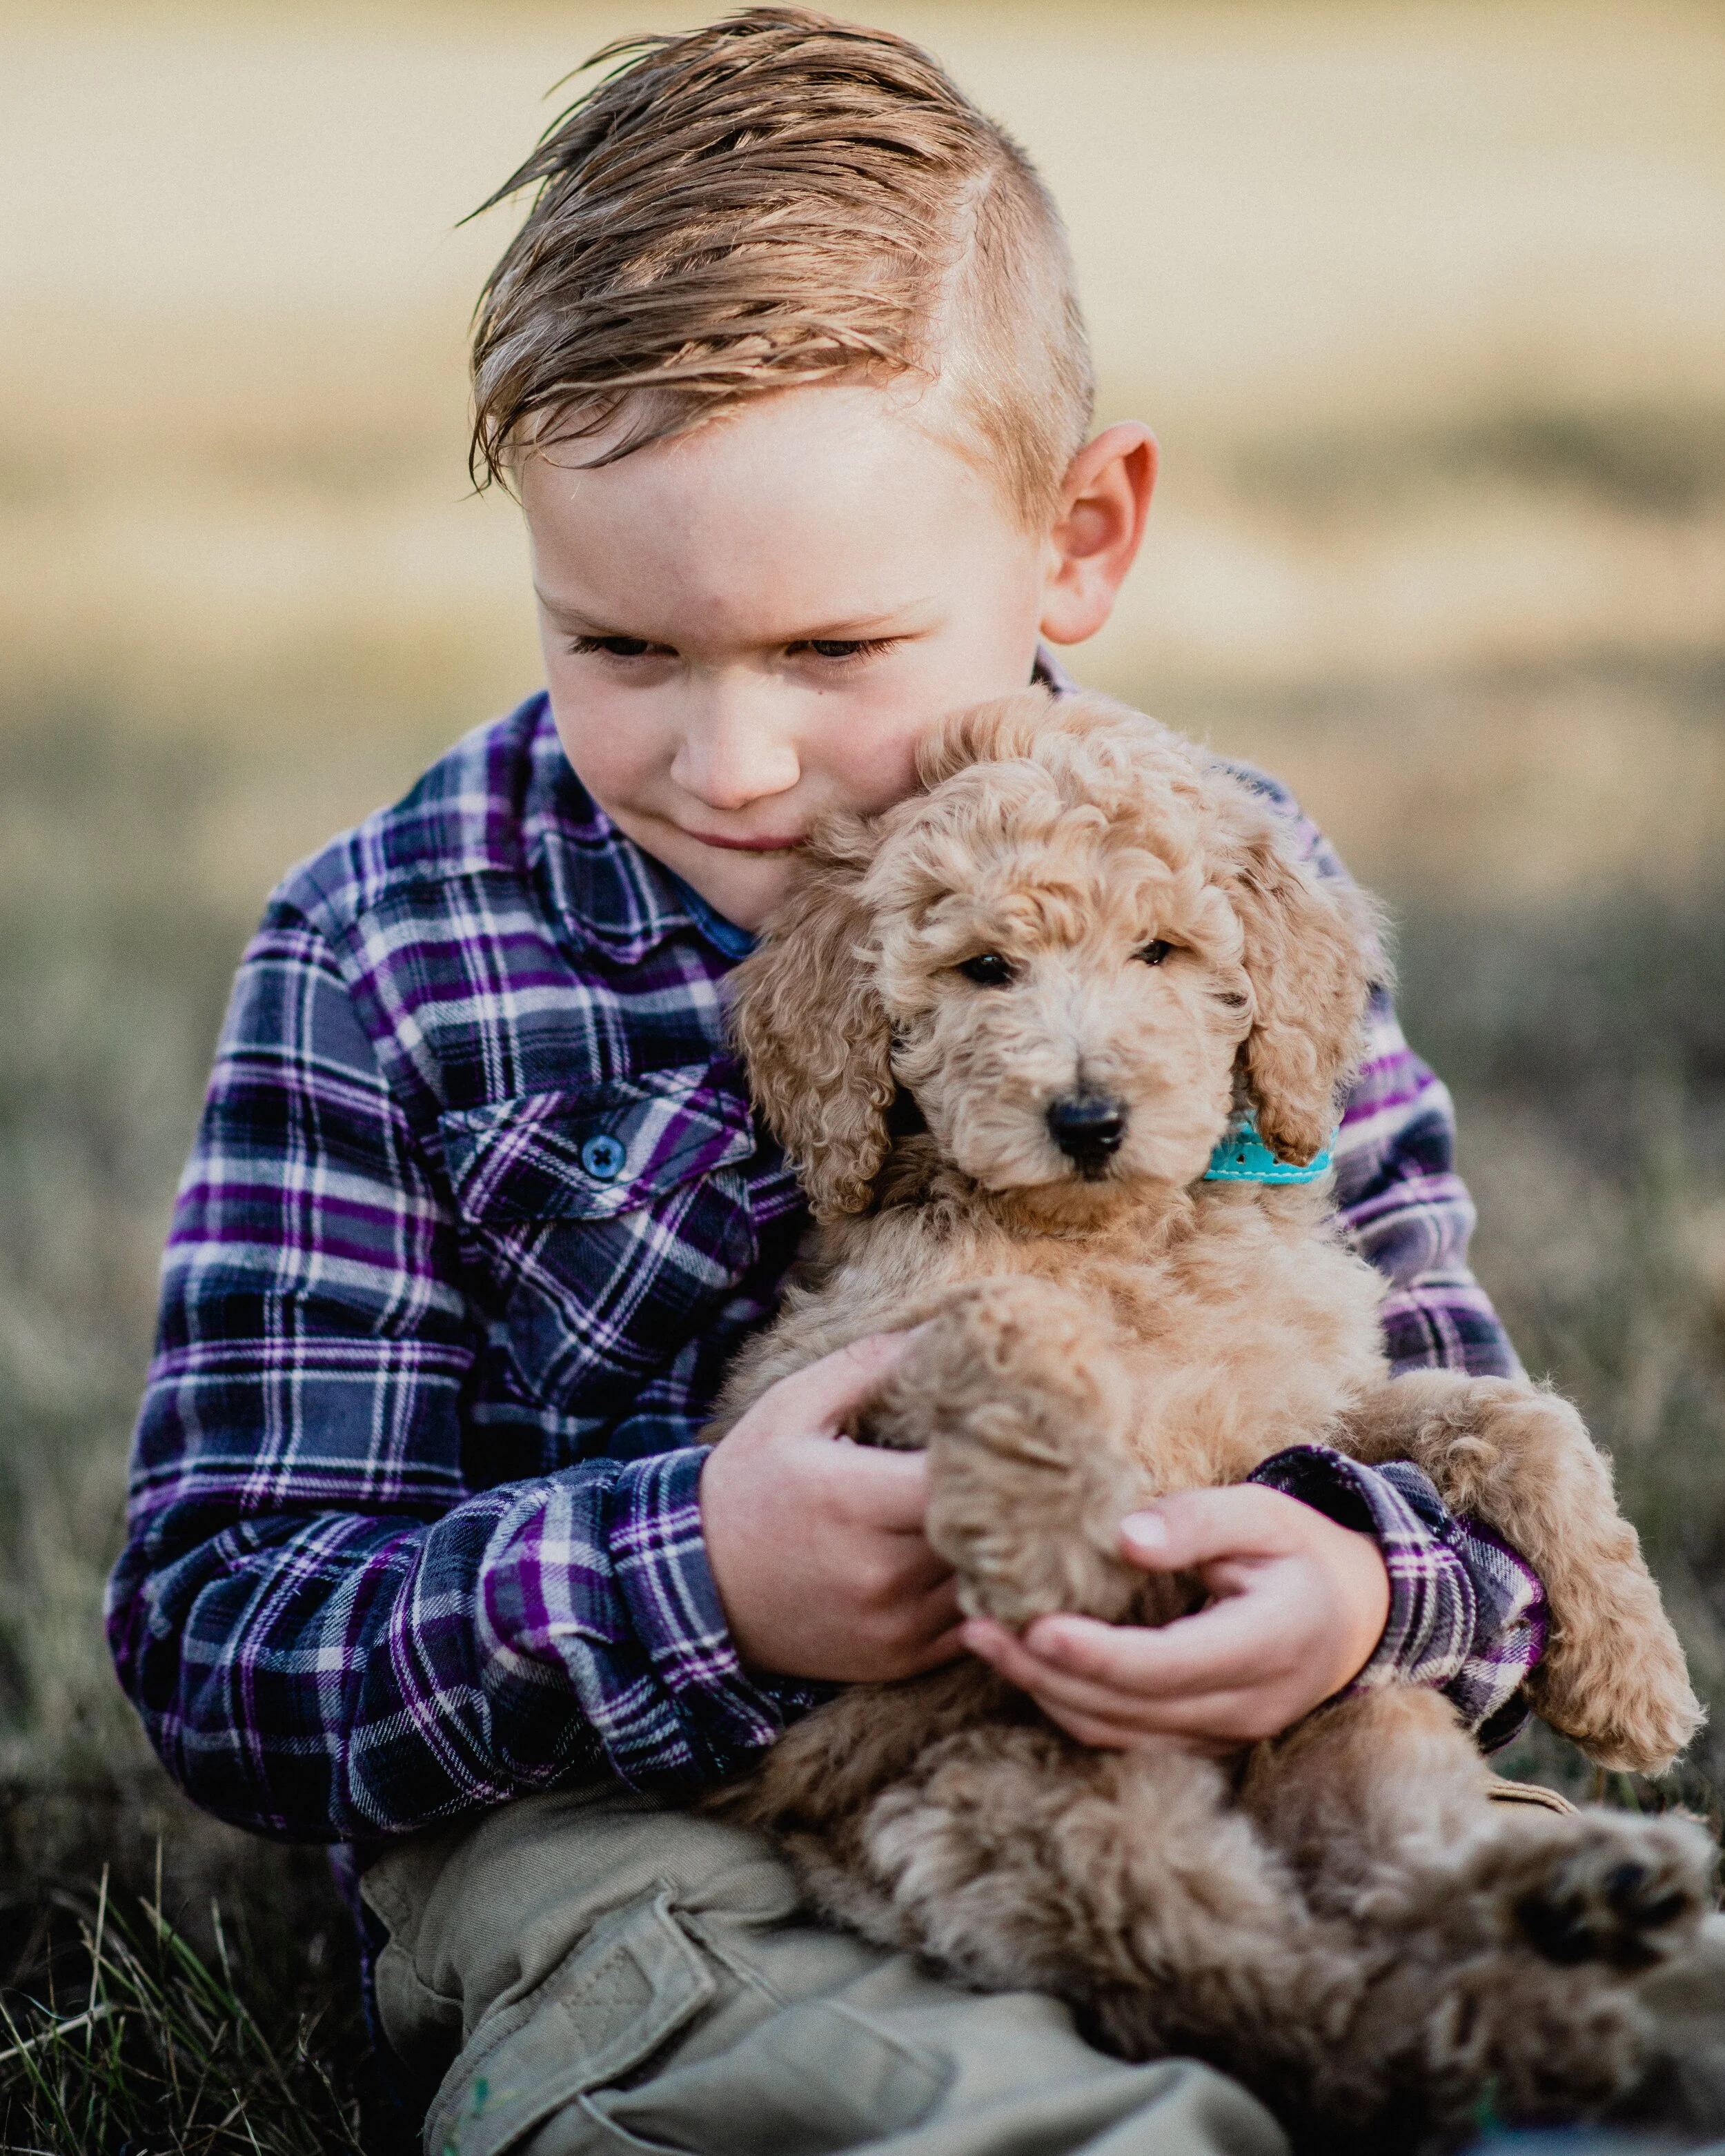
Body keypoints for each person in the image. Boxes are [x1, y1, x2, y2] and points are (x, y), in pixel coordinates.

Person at [108, 12, 1592, 2153]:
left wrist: (1358, 1589)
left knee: (1510, 1945)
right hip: (657, 1825)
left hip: (1248, 1749)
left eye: (832, 653)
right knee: (866, 2078)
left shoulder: (1221, 885)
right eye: (619, 646)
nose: (729, 764)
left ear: (1081, 535)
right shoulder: (388, 951)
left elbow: (1448, 1420)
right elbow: (231, 1630)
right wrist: (694, 1577)